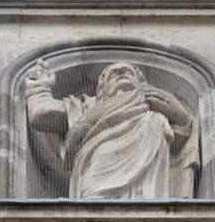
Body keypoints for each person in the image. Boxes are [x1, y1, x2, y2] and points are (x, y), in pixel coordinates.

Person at [25, 60, 199, 198]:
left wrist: (177, 112)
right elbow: (40, 115)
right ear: (101, 89)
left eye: (128, 71)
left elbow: (184, 140)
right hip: (98, 171)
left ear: (141, 83)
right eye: (113, 74)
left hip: (148, 180)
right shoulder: (88, 106)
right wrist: (39, 86)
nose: (121, 74)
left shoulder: (156, 104)